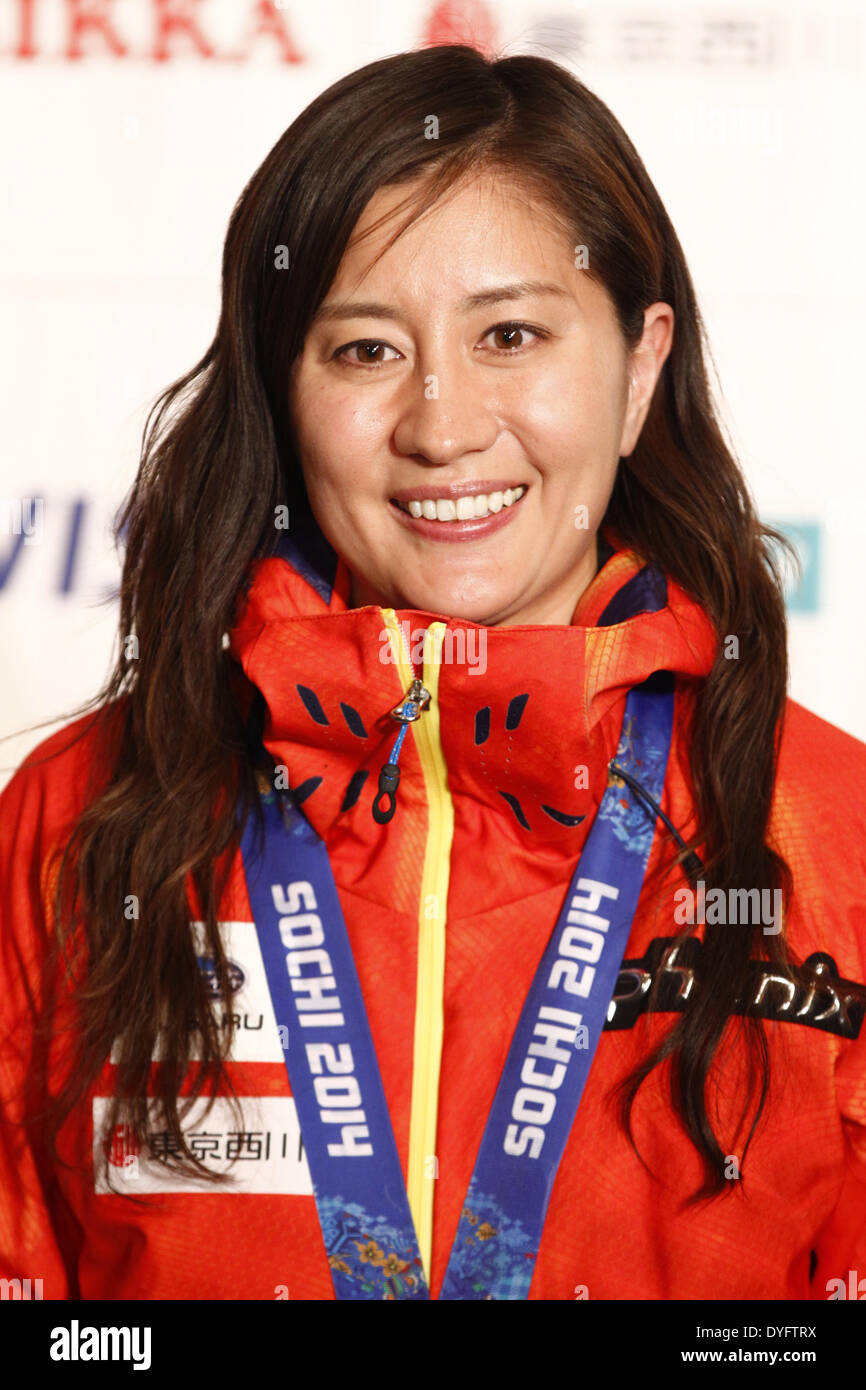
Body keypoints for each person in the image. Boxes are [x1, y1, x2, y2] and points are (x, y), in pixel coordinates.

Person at [1, 42, 864, 1304]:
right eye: (363, 351)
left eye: (509, 333)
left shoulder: (828, 832)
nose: (443, 425)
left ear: (637, 368)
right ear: (279, 393)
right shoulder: (81, 822)